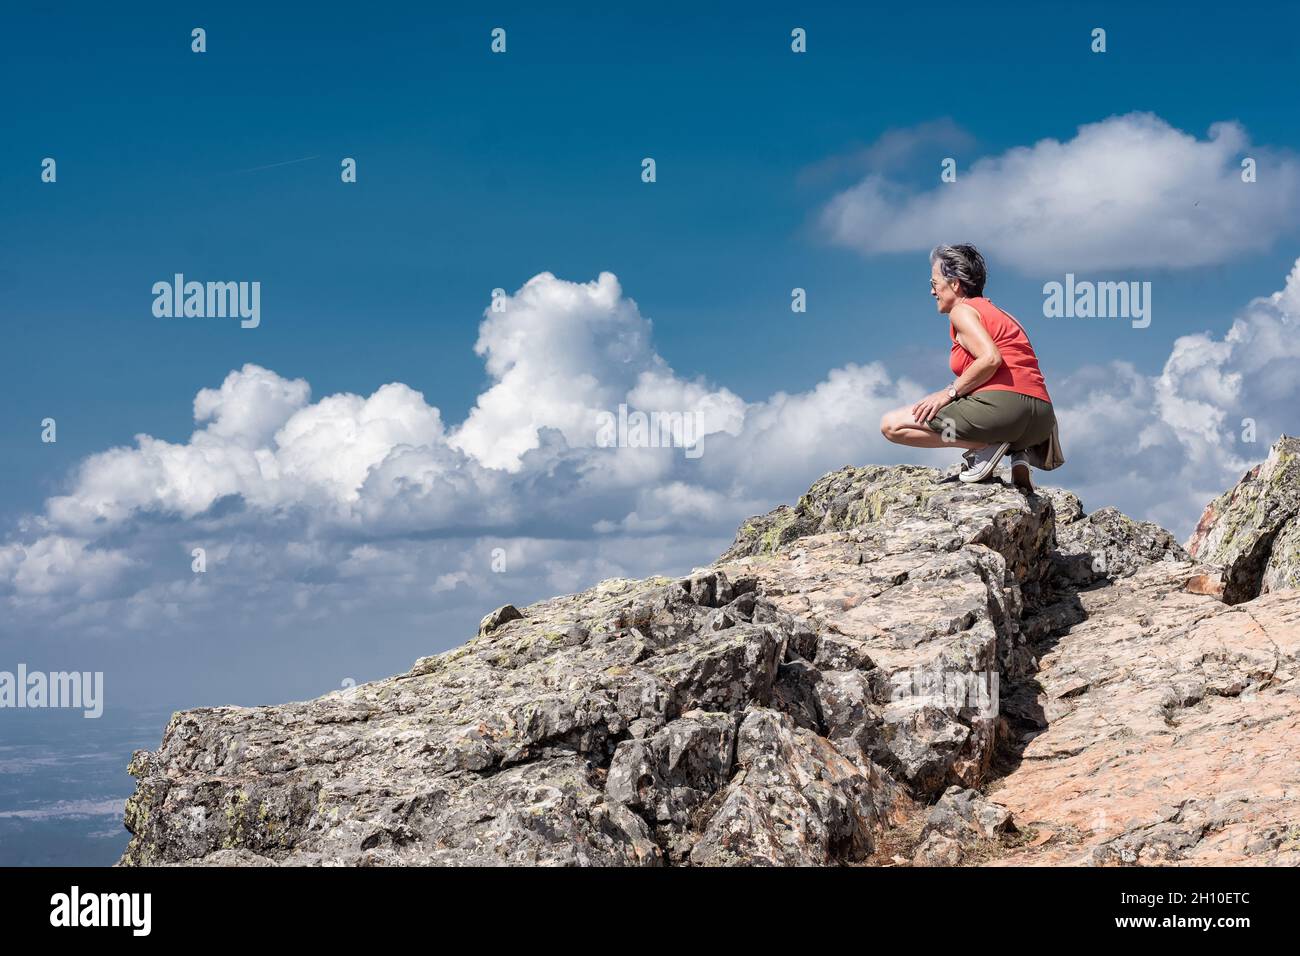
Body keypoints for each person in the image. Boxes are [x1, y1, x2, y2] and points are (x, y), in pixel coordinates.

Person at [879, 244, 1063, 490]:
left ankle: (984, 445)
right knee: (999, 415)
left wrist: (947, 394)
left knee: (892, 425)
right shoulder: (1005, 315)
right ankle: (1019, 455)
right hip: (1042, 421)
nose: (932, 291)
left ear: (954, 284)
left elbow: (990, 358)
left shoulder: (962, 312)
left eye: (934, 283)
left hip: (1004, 412)